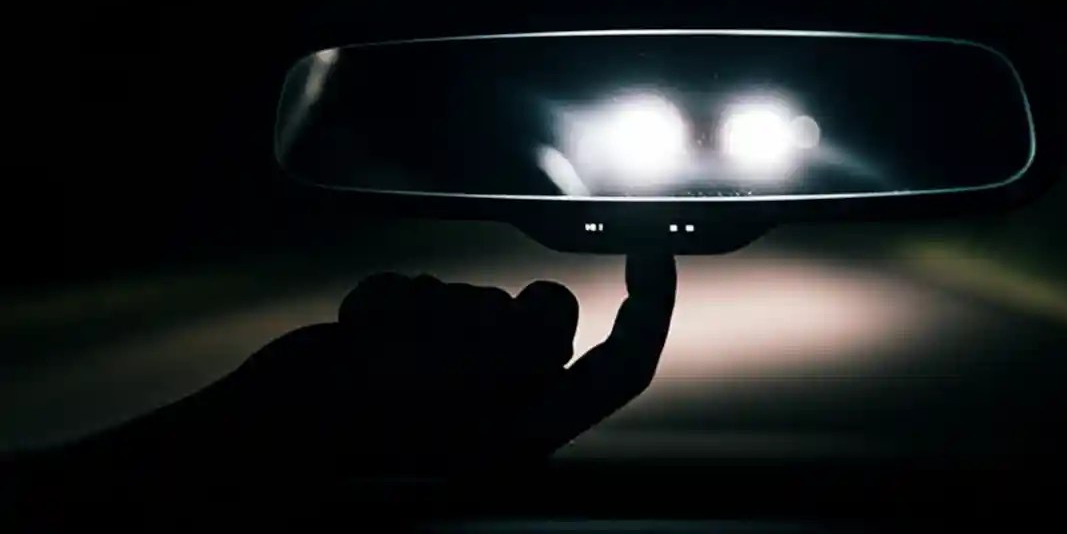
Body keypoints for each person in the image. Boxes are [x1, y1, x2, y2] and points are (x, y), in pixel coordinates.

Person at [4, 253, 677, 517]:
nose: (414, 282)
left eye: (430, 298)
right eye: (430, 298)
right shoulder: (307, 400)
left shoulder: (299, 397)